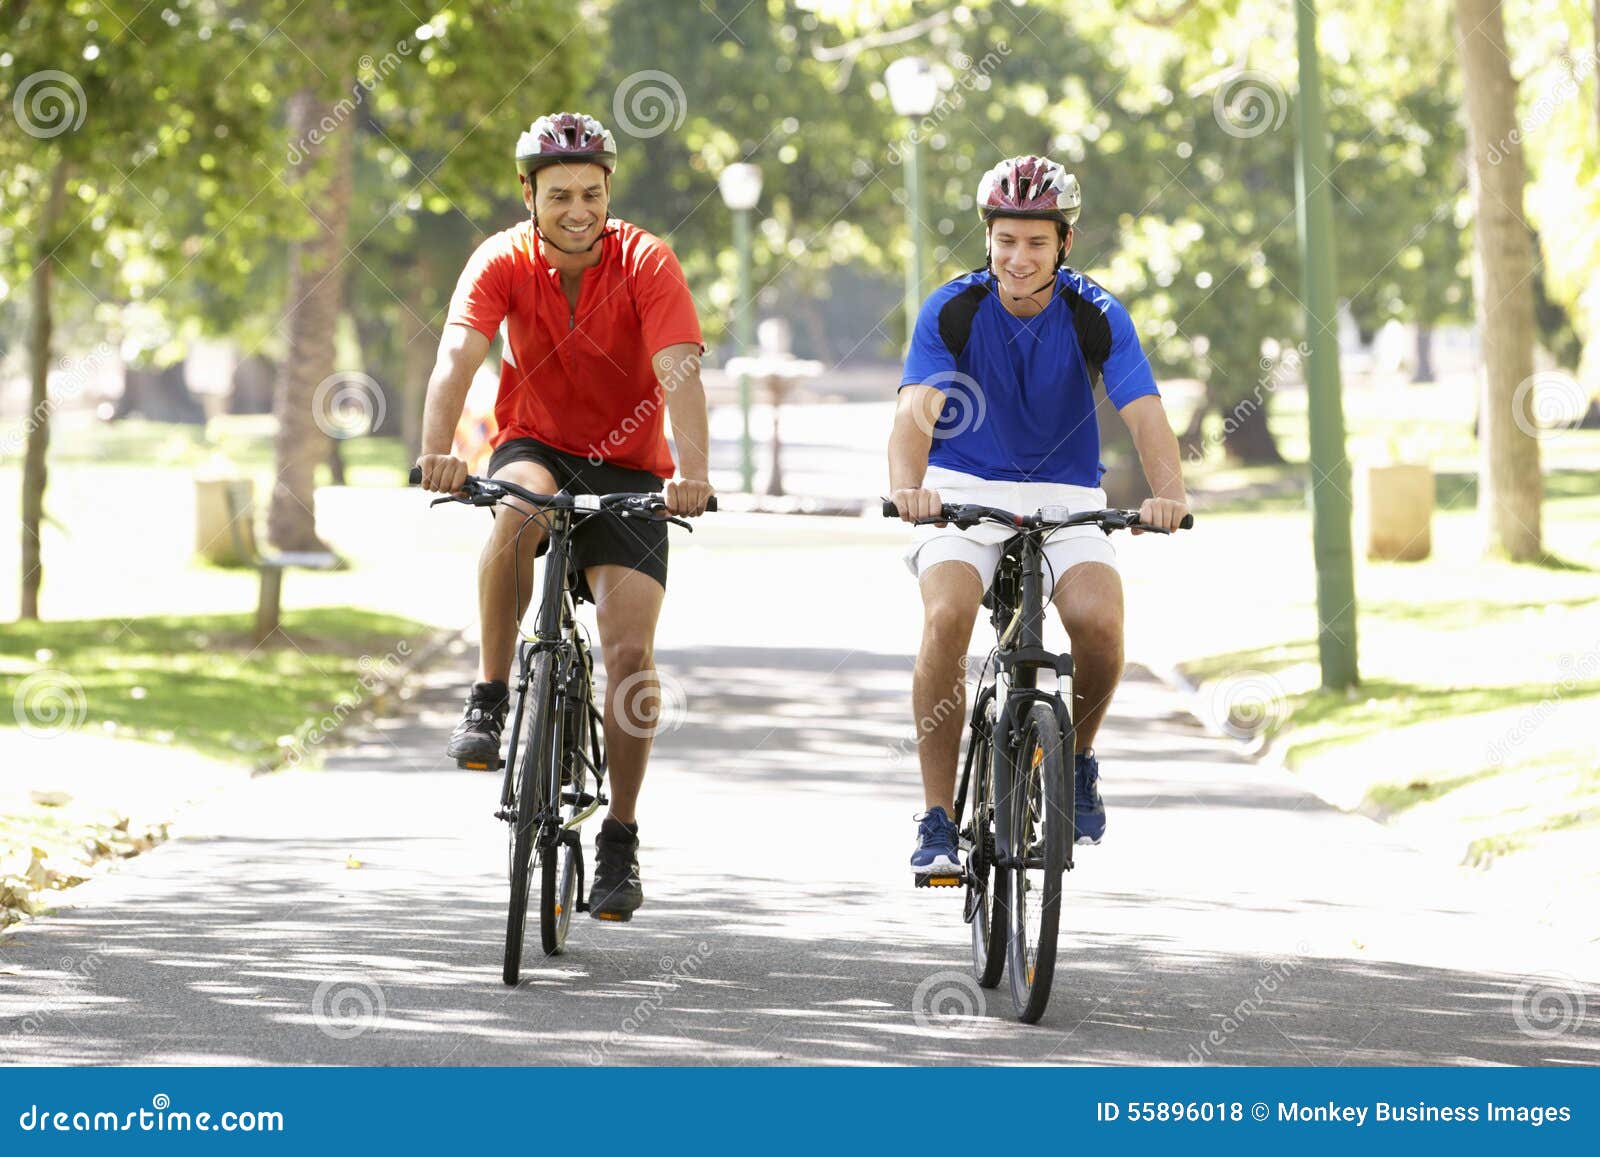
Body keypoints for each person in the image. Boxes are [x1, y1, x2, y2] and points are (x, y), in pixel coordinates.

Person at [414, 112, 713, 920]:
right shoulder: (500, 260)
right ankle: (489, 694)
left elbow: (678, 369)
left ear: (608, 190)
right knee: (512, 515)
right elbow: (456, 355)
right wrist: (436, 448)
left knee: (629, 654)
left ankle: (619, 834)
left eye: (591, 192)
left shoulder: (646, 259)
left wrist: (693, 472)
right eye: (558, 195)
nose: (577, 208)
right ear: (528, 194)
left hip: (630, 467)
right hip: (536, 442)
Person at [886, 154, 1189, 880]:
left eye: (1037, 242)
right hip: (963, 485)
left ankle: (1077, 759)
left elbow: (1145, 415)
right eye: (1006, 240)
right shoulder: (953, 307)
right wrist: (908, 487)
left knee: (1100, 622)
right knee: (946, 619)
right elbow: (914, 413)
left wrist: (1167, 492)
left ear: (1064, 244)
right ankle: (936, 816)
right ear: (987, 238)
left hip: (1067, 493)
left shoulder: (1098, 313)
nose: (1020, 258)